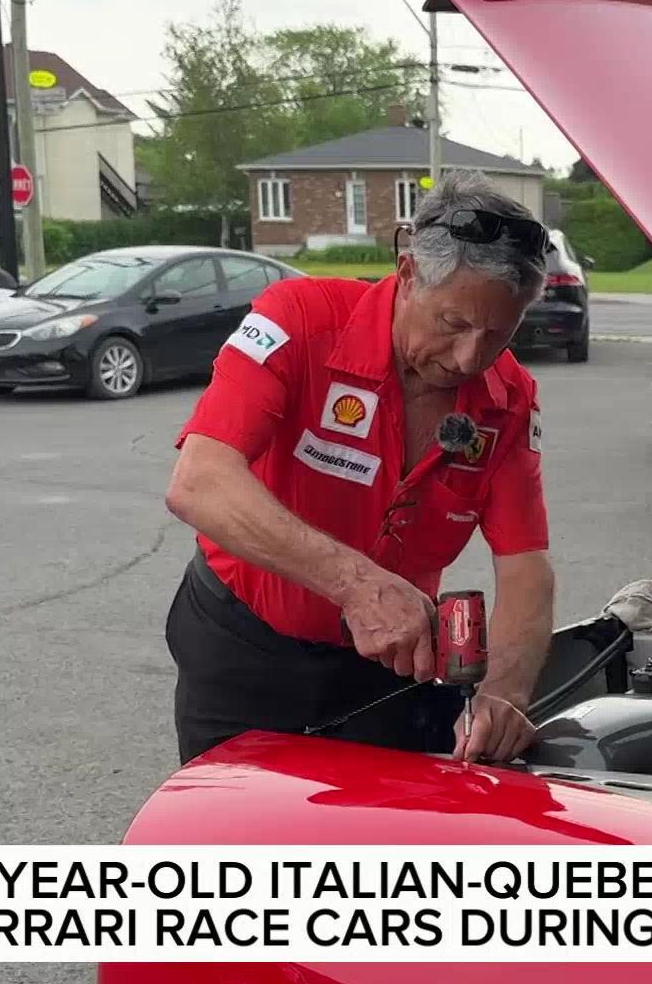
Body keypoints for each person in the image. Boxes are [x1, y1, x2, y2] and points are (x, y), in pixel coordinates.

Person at [162, 170, 556, 767]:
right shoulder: (298, 319)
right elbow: (200, 481)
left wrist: (504, 693)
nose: (469, 357)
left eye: (498, 334)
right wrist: (357, 585)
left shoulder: (509, 400)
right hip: (242, 651)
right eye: (453, 324)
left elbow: (526, 566)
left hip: (387, 671)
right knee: (235, 819)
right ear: (407, 274)